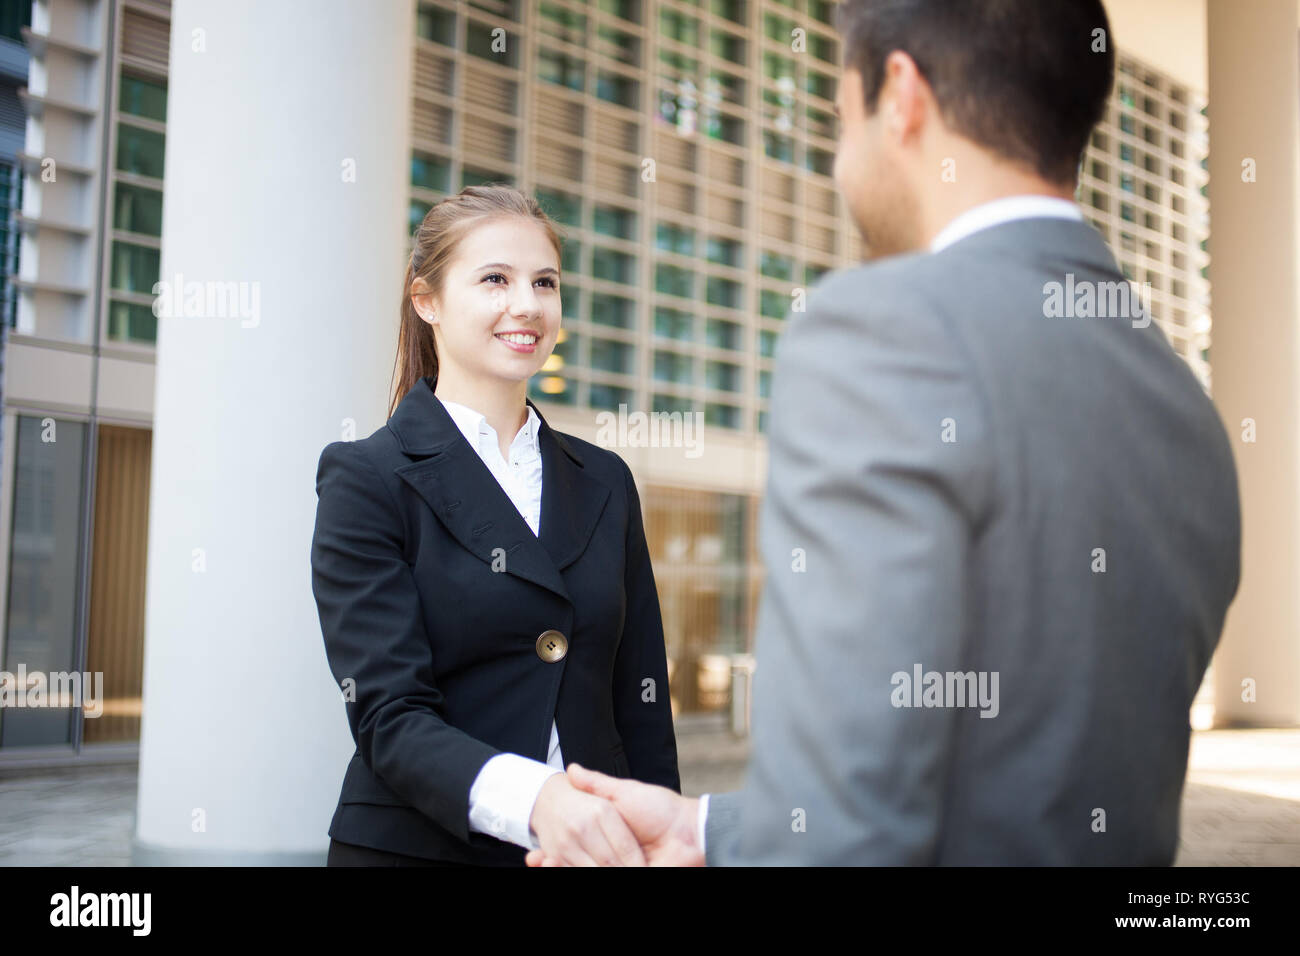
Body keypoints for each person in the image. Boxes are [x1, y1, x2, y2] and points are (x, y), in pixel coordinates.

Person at [529, 0, 1241, 866]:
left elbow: (844, 836)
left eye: (839, 119)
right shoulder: (1182, 400)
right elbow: (1024, 777)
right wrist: (704, 829)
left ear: (900, 94)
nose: (838, 164)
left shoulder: (885, 329)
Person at [311, 185, 680, 866]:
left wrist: (664, 842)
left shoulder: (605, 481)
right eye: (494, 280)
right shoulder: (367, 479)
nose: (527, 305)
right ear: (427, 301)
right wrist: (538, 800)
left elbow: (641, 704)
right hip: (420, 851)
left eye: (545, 281)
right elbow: (389, 717)